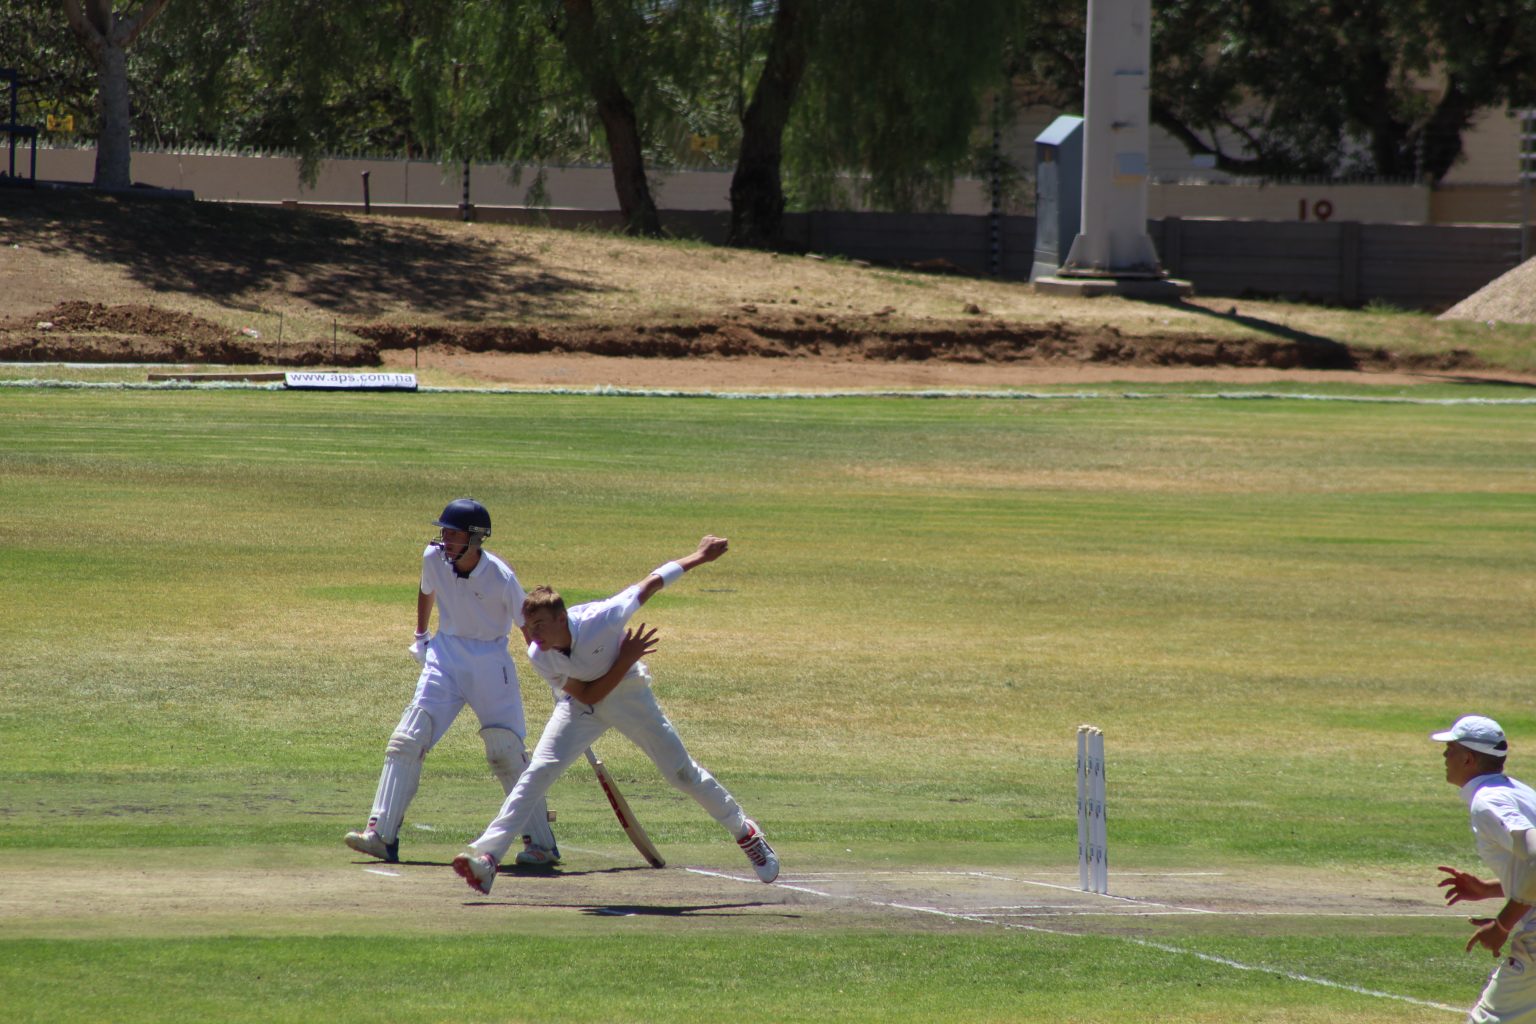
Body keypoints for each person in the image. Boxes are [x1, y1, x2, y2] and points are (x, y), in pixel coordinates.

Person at [451, 534, 779, 895]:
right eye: (529, 627)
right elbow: (589, 695)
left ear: (562, 617)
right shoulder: (538, 654)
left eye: (541, 625)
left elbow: (652, 582)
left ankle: (745, 832)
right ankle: (487, 859)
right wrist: (624, 657)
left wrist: (699, 556)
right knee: (538, 774)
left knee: (681, 773)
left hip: (629, 695)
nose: (534, 635)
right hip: (582, 705)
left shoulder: (604, 618)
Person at [344, 498, 574, 866]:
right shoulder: (433, 557)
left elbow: (528, 625)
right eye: (444, 532)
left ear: (476, 538)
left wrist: (555, 671)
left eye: (453, 533)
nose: (445, 540)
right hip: (445, 656)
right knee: (407, 738)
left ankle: (542, 845)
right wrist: (421, 633)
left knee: (506, 751)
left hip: (489, 662)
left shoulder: (501, 577)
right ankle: (381, 834)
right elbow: (427, 588)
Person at [1433, 714, 1536, 1023]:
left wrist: (1502, 925)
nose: (1444, 756)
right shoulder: (1520, 792)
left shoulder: (1488, 802)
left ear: (1468, 758)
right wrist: (1489, 889)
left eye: (1450, 749)